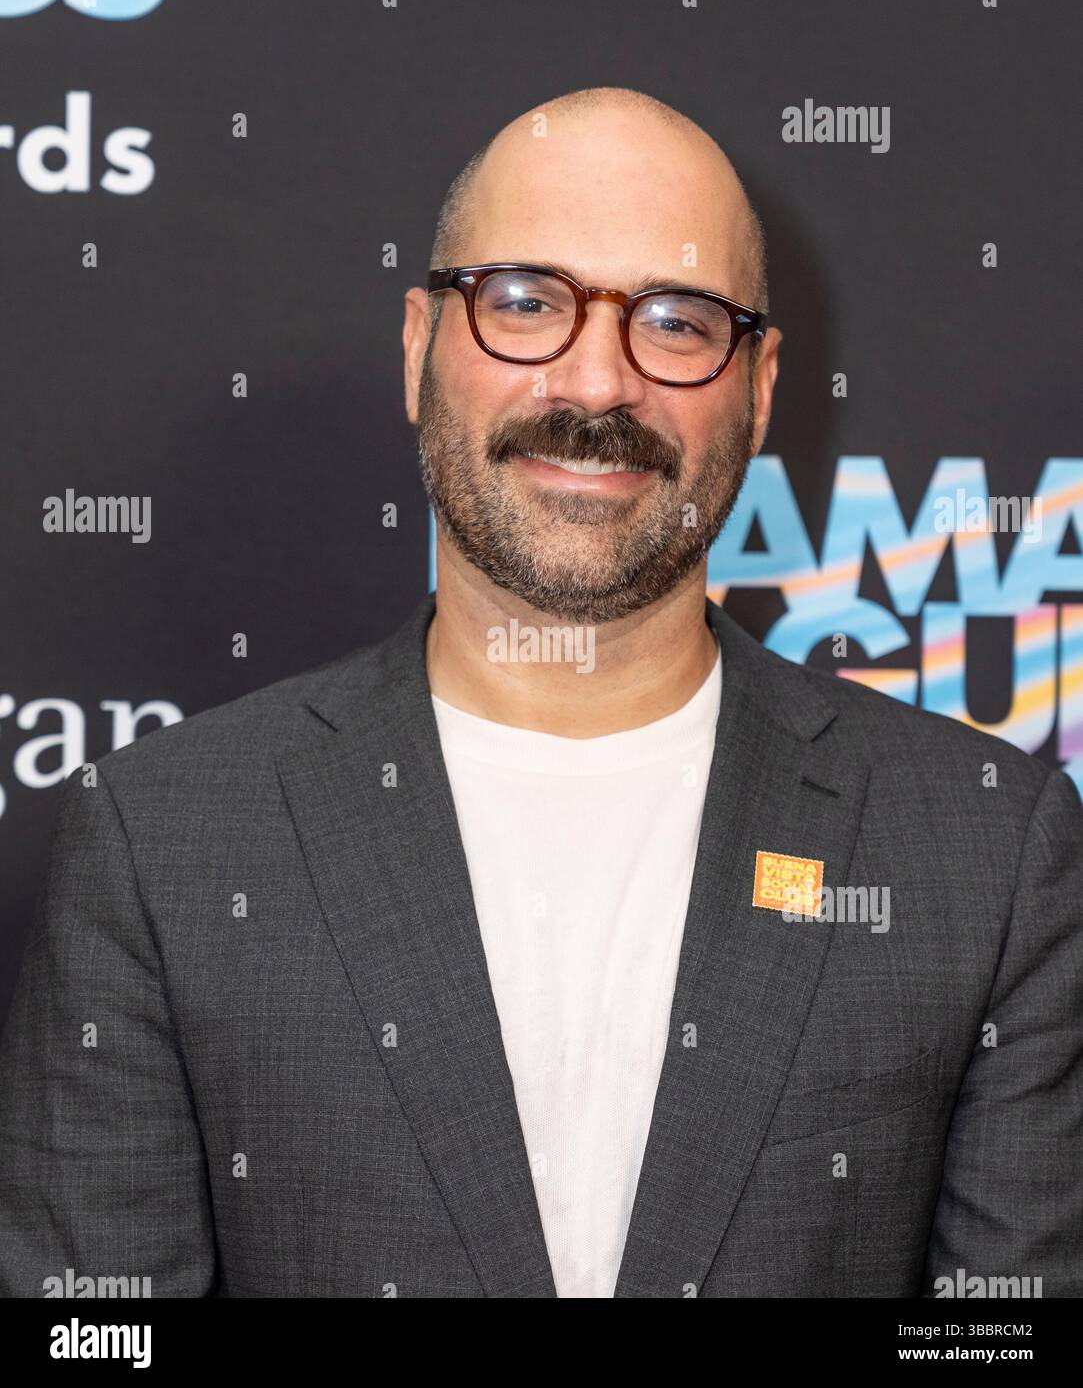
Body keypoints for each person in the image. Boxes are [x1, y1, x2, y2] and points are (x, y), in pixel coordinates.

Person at [1, 87, 1080, 1299]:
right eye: (525, 302)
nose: (598, 382)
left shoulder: (986, 853)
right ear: (419, 348)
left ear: (764, 387)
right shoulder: (168, 843)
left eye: (676, 321)